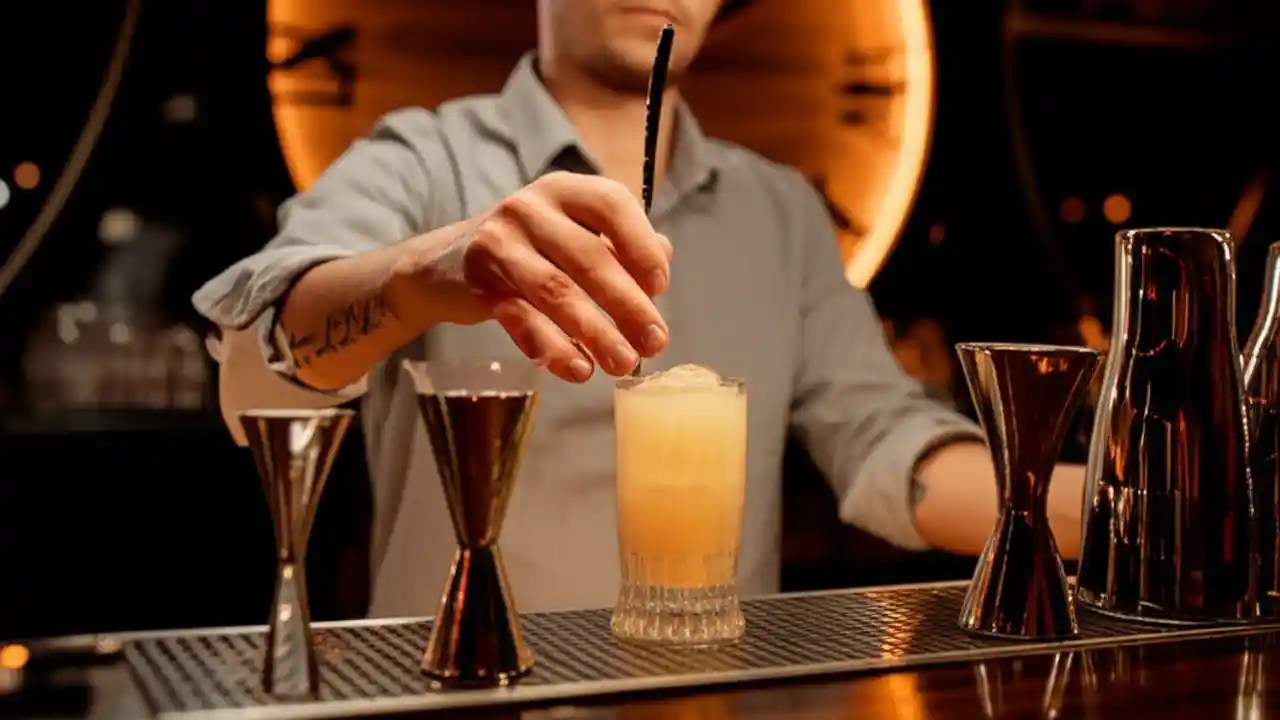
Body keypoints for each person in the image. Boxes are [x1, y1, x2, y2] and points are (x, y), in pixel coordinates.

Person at [194, 0, 1087, 617]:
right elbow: (267, 357)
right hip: (456, 695)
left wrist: (1119, 512)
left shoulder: (780, 210)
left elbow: (883, 441)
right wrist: (430, 271)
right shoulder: (421, 161)